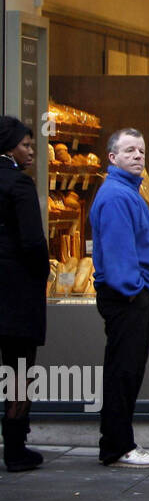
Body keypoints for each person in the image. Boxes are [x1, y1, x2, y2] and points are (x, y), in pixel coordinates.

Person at [89, 128, 149, 468]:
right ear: (113, 158)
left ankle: (117, 443)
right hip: (128, 298)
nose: (138, 156)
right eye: (130, 151)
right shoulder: (118, 195)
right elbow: (120, 256)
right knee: (124, 372)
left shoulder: (126, 191)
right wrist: (137, 292)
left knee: (126, 371)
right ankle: (118, 446)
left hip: (133, 295)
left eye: (142, 151)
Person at [0, 117, 48, 472]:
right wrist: (42, 274)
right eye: (26, 145)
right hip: (15, 293)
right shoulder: (19, 185)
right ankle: (15, 448)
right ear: (8, 147)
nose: (32, 151)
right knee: (18, 371)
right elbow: (33, 242)